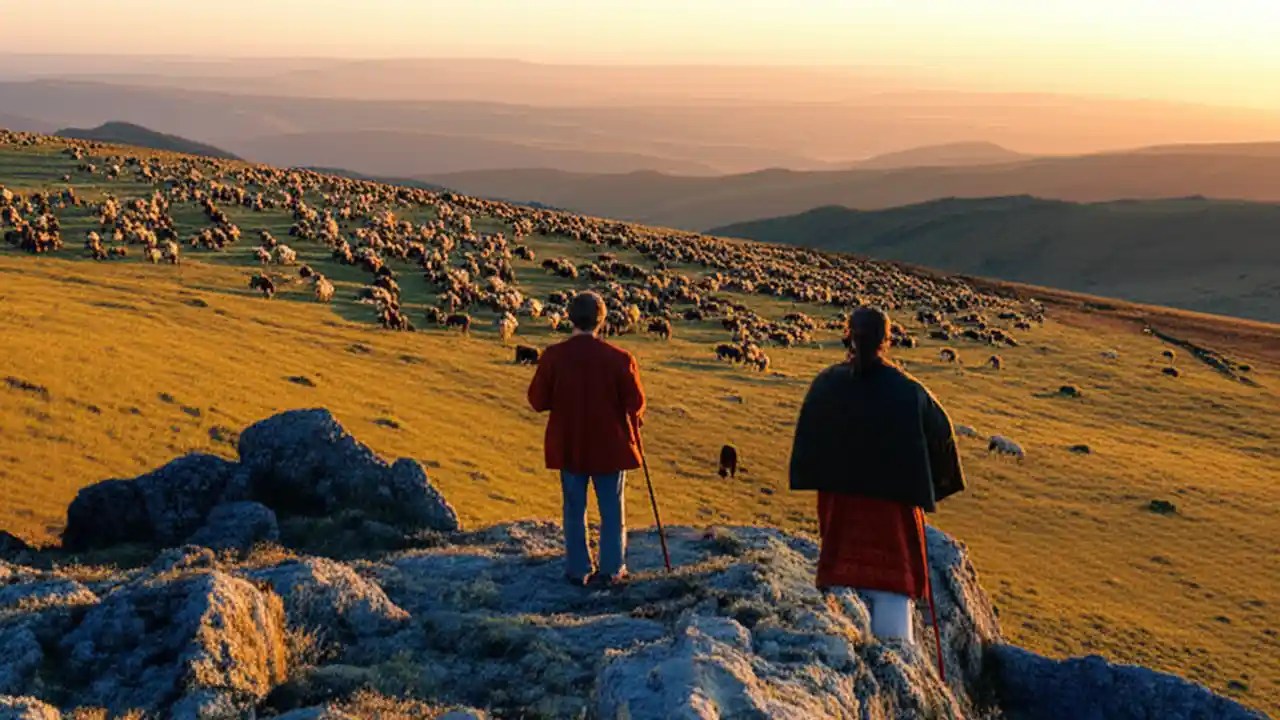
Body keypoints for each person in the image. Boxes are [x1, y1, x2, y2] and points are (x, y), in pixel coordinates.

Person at [789, 306, 965, 644]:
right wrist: (924, 487)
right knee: (895, 639)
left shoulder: (826, 385)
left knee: (840, 628)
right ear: (887, 340)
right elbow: (942, 438)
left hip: (840, 518)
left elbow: (808, 447)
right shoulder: (910, 391)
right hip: (893, 523)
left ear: (848, 336)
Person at [528, 291, 646, 586]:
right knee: (611, 508)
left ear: (569, 318)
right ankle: (611, 569)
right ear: (602, 321)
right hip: (610, 446)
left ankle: (578, 569)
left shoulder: (554, 356)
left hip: (570, 445)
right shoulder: (620, 359)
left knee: (573, 508)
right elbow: (637, 402)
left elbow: (537, 401)